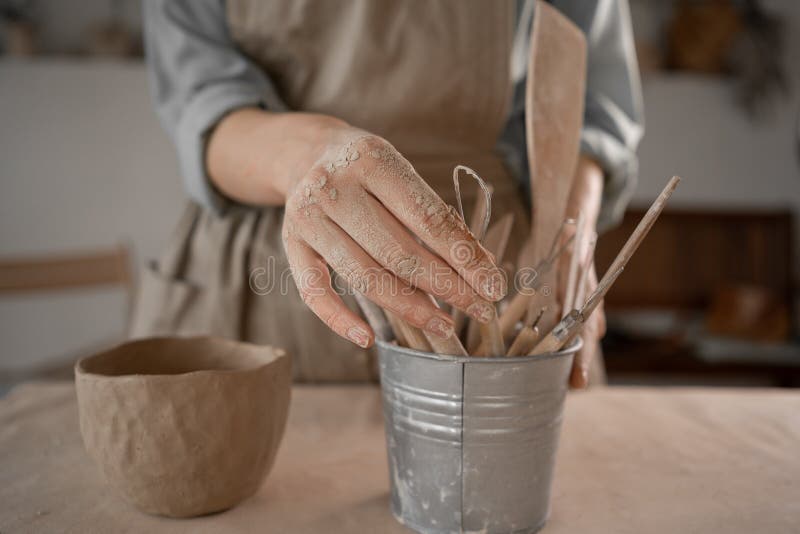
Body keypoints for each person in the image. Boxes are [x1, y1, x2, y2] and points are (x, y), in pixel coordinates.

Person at [133, 0, 644, 386]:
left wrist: (568, 234)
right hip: (269, 269)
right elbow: (200, 99)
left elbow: (590, 101)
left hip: (502, 269)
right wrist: (305, 157)